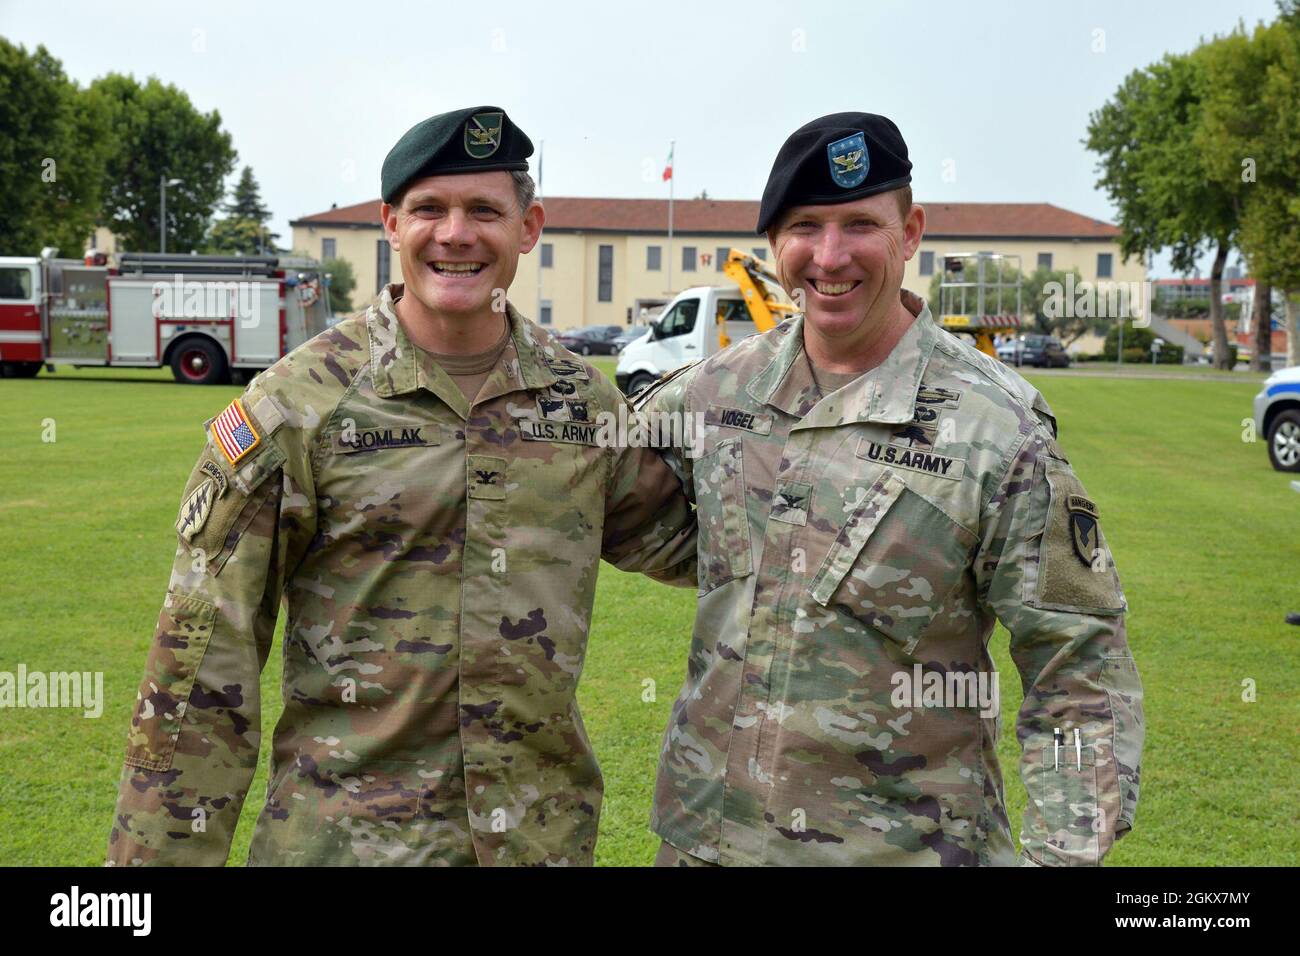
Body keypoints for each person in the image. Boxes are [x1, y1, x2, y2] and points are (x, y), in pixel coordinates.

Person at [107, 105, 696, 867]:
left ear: (529, 226)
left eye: (484, 209)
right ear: (391, 223)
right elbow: (200, 663)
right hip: (347, 847)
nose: (455, 234)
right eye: (429, 209)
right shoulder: (300, 403)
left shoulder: (581, 404)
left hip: (537, 844)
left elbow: (695, 543)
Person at [638, 112, 1144, 867]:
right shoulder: (713, 396)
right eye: (805, 226)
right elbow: (597, 495)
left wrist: (1063, 854)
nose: (830, 255)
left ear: (910, 233)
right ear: (775, 244)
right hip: (711, 845)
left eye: (859, 225)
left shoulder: (994, 428)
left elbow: (1080, 666)